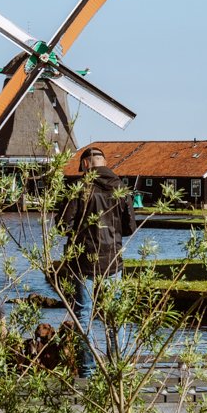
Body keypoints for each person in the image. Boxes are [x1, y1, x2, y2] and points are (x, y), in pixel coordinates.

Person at [55, 147, 137, 378]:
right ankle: (116, 366)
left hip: (84, 260)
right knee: (115, 315)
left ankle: (88, 369)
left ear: (85, 165)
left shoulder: (80, 189)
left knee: (84, 315)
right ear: (105, 162)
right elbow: (130, 226)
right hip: (113, 261)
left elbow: (62, 225)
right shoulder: (120, 188)